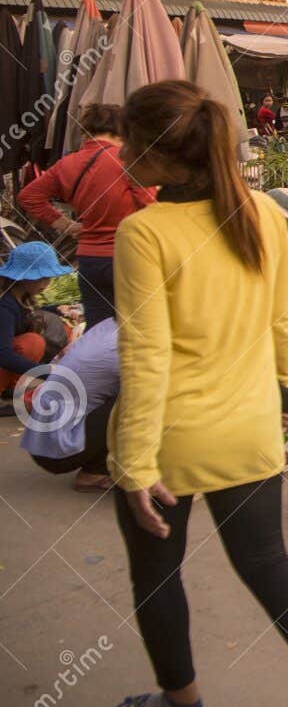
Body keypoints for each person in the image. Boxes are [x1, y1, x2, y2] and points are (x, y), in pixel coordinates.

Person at [108, 80, 288, 707]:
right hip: (249, 424)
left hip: (170, 438)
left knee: (157, 575)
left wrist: (135, 464)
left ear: (156, 154)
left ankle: (180, 703)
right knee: (270, 566)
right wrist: (281, 397)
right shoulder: (262, 212)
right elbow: (282, 320)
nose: (120, 154)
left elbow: (145, 353)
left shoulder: (144, 231)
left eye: (127, 143)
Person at [17, 103, 155, 328]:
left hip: (89, 258)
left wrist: (68, 226)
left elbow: (28, 196)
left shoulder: (67, 163)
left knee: (97, 333)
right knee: (140, 329)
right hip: (128, 255)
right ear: (122, 131)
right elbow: (151, 205)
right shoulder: (127, 160)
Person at [20, 318, 117, 491]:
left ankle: (97, 468)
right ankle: (96, 472)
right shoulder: (135, 342)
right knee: (143, 398)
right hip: (59, 450)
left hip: (46, 440)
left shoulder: (110, 324)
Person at [0, 241, 74, 397]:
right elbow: (3, 355)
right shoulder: (4, 306)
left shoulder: (20, 297)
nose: (47, 284)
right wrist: (48, 372)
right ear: (23, 277)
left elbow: (32, 312)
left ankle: (9, 388)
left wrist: (58, 309)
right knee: (32, 342)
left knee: (62, 329)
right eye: (42, 277)